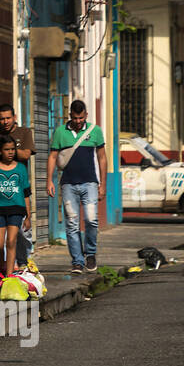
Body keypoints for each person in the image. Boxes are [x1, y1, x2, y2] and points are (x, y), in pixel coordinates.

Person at [46, 99, 107, 274]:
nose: (78, 121)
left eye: (81, 118)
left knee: (91, 220)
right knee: (72, 223)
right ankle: (77, 261)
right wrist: (49, 180)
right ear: (70, 116)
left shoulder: (95, 132)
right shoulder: (59, 132)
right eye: (75, 118)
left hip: (90, 183)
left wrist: (103, 184)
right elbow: (52, 157)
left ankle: (91, 254)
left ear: (86, 115)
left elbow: (102, 158)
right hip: (68, 185)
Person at [0, 102, 35, 275]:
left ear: (14, 118)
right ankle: (1, 265)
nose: (5, 121)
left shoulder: (24, 133)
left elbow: (27, 154)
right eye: (2, 119)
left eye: (8, 118)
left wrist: (7, 149)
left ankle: (22, 263)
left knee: (21, 235)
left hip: (18, 195)